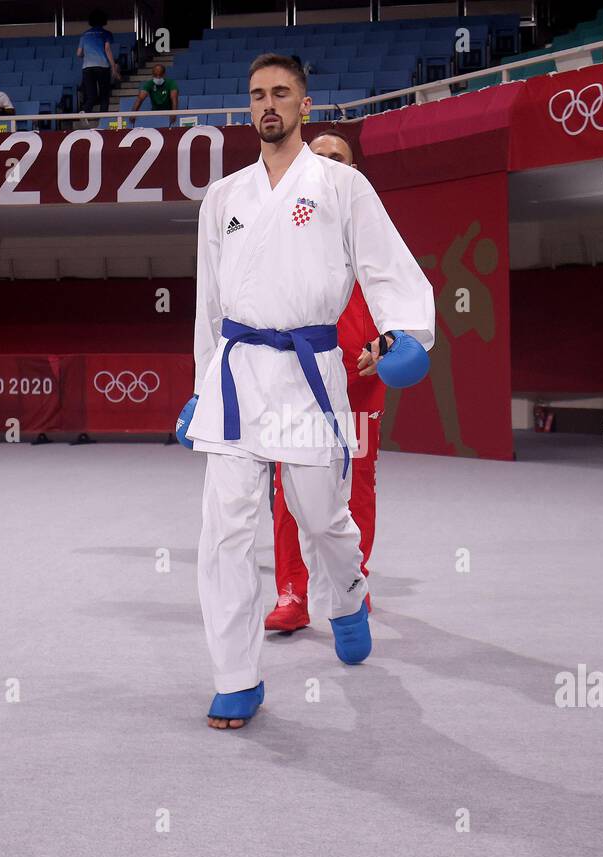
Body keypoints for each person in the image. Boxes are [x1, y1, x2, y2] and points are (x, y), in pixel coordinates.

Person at [176, 53, 435, 730]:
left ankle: (347, 595)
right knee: (224, 532)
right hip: (237, 373)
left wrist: (408, 331)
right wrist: (202, 387)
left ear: (303, 102)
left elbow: (387, 267)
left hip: (307, 371)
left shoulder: (341, 187)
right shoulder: (226, 197)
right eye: (258, 93)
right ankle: (236, 678)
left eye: (281, 93)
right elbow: (209, 303)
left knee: (321, 517)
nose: (269, 104)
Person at [265, 130, 385, 633]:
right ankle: (293, 592)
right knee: (290, 487)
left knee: (355, 487)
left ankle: (350, 581)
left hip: (358, 383)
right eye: (320, 158)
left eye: (340, 158)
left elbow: (393, 290)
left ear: (354, 171)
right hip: (296, 381)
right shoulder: (281, 227)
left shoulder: (371, 226)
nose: (330, 165)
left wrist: (388, 342)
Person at [76, 10, 121, 115]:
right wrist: (113, 66)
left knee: (91, 95)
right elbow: (107, 49)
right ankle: (103, 118)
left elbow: (79, 53)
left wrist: (88, 54)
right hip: (102, 66)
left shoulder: (85, 34)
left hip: (87, 68)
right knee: (104, 94)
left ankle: (85, 110)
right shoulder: (106, 33)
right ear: (104, 20)